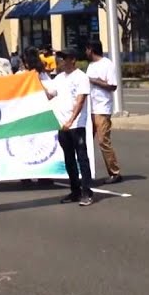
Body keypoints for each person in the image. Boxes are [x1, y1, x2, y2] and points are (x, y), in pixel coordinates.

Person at [49, 50, 92, 206]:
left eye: (65, 58)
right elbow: (49, 94)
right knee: (69, 159)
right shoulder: (59, 78)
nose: (62, 61)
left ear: (73, 60)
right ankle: (75, 191)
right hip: (62, 126)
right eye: (60, 58)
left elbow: (80, 101)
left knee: (82, 158)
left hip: (76, 125)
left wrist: (71, 120)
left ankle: (86, 192)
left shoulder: (81, 77)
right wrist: (32, 82)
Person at [84, 41, 122, 184]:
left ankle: (115, 172)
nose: (85, 52)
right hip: (89, 108)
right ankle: (85, 173)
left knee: (103, 141)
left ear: (91, 49)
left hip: (102, 109)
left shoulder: (107, 64)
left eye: (86, 49)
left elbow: (112, 86)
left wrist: (94, 81)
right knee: (85, 142)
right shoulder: (91, 65)